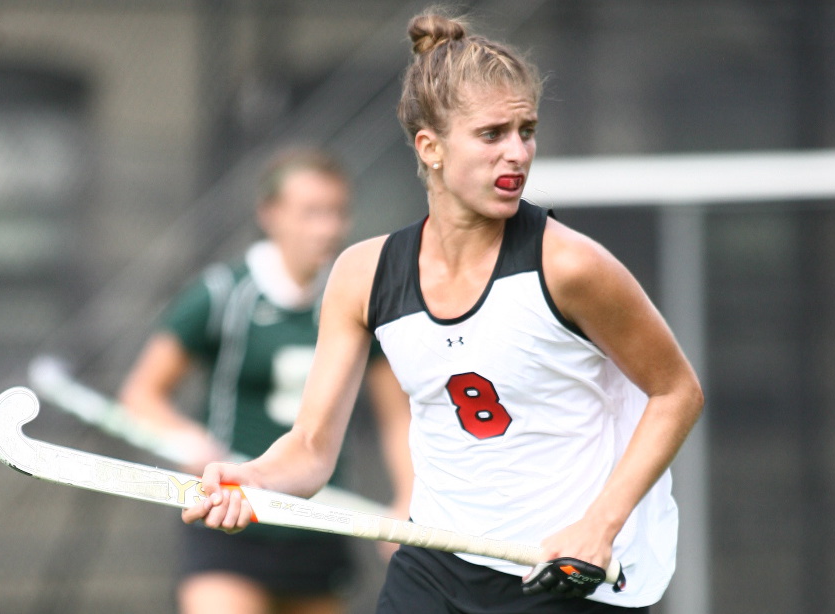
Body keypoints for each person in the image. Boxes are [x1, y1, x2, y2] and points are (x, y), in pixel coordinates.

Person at [184, 9, 704, 614]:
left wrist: (599, 526)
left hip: (558, 572)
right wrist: (256, 478)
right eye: (492, 134)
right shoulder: (365, 274)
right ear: (430, 147)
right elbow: (310, 448)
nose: (517, 153)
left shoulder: (570, 267)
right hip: (436, 564)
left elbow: (677, 392)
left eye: (526, 130)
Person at [120, 147, 412, 614]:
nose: (328, 228)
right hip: (230, 520)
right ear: (270, 215)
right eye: (311, 213)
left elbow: (398, 419)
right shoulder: (222, 294)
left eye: (337, 212)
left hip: (316, 521)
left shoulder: (356, 302)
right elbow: (142, 393)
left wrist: (407, 496)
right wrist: (186, 439)